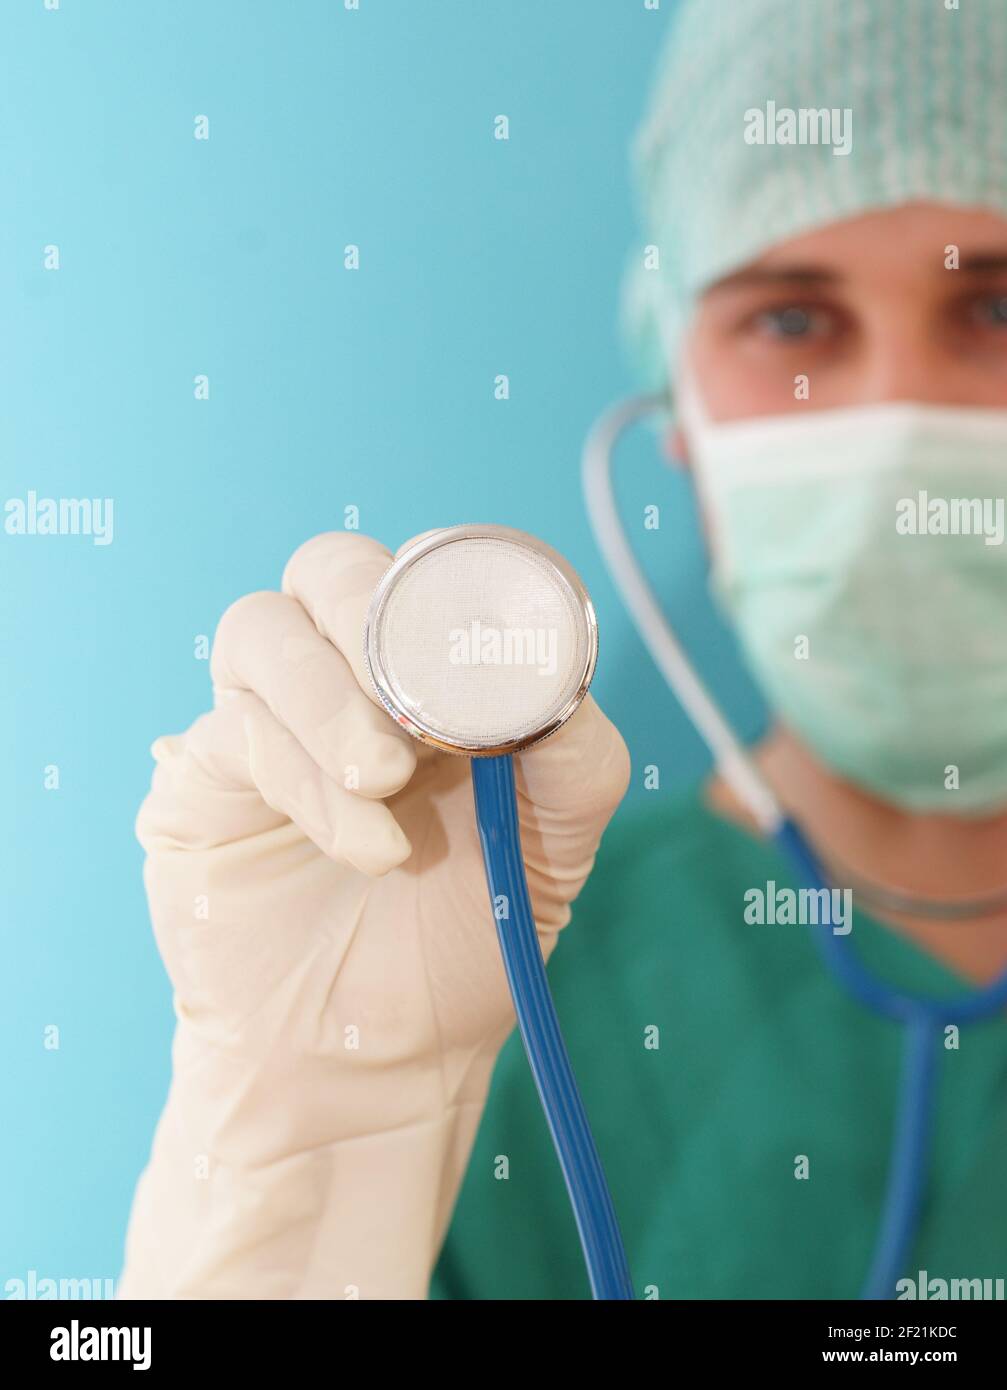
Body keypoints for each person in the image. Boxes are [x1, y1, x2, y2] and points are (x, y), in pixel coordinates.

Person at [117, 0, 1007, 1300]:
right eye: (793, 325)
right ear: (679, 397)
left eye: (996, 308)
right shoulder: (496, 956)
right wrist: (304, 1161)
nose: (890, 421)